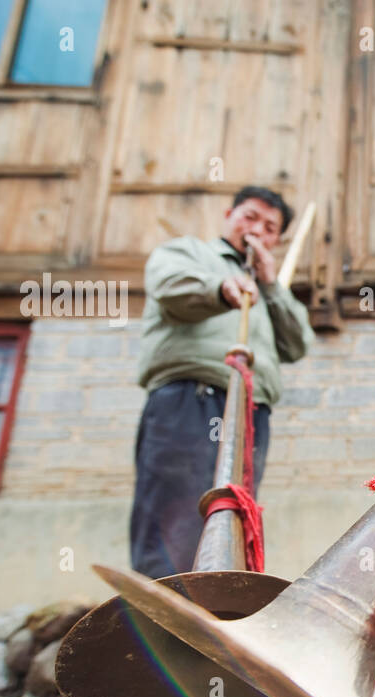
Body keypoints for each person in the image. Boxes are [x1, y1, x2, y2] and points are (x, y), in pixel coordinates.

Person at [130, 185, 315, 580]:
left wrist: (270, 287)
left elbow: (298, 343)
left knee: (232, 514)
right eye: (249, 217)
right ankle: (165, 614)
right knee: (178, 517)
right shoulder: (192, 254)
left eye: (269, 228)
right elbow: (168, 285)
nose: (257, 230)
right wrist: (221, 288)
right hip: (190, 399)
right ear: (229, 215)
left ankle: (214, 616)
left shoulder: (269, 290)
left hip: (251, 413)